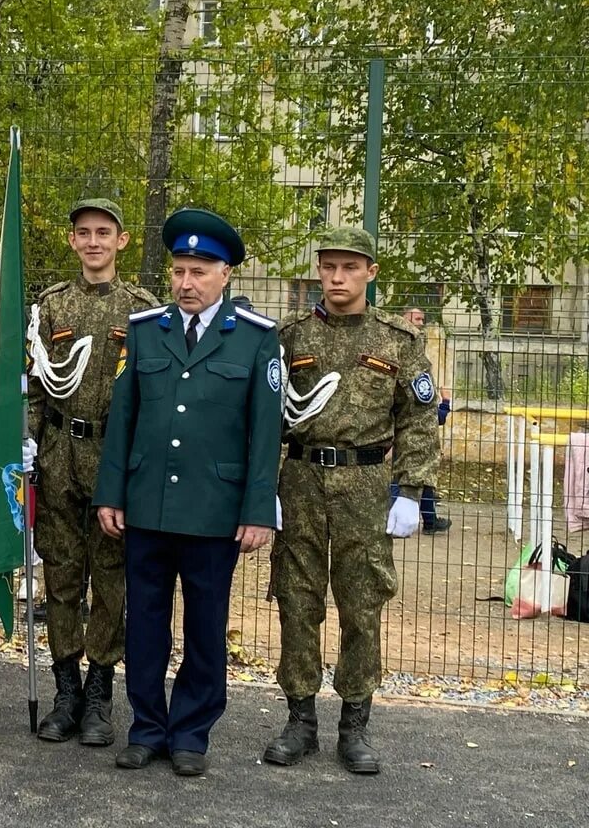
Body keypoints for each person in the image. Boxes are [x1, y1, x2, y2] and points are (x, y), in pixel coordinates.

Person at [93, 208, 281, 777]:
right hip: (147, 504)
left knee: (205, 626)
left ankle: (191, 733)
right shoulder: (146, 330)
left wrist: (256, 511)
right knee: (144, 624)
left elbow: (265, 433)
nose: (186, 283)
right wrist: (111, 493)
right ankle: (147, 728)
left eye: (200, 271)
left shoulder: (256, 340)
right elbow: (122, 417)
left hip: (214, 512)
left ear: (226, 275)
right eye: (179, 270)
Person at [265, 227, 439, 775]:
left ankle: (355, 725)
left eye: (349, 267)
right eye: (328, 267)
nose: (337, 278)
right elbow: (265, 417)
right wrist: (260, 490)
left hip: (365, 483)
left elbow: (418, 420)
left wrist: (411, 491)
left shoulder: (398, 341)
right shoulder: (289, 338)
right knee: (297, 600)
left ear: (371, 272)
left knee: (362, 605)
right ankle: (300, 721)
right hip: (299, 478)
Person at [27, 199, 157, 747]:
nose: (94, 241)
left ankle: (100, 693)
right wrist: (26, 440)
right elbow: (33, 382)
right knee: (60, 575)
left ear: (122, 242)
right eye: (84, 233)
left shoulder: (146, 310)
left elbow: (154, 392)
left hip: (116, 456)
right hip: (59, 452)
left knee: (110, 579)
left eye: (104, 233)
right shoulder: (51, 306)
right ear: (72, 240)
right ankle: (65, 691)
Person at [401, 306, 452, 534]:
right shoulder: (410, 364)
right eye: (417, 319)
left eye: (423, 319)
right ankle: (428, 522)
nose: (421, 323)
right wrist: (446, 403)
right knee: (416, 478)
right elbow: (434, 417)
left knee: (420, 479)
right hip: (412, 433)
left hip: (414, 431)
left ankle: (429, 520)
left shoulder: (418, 363)